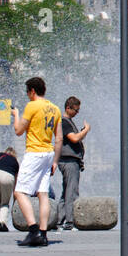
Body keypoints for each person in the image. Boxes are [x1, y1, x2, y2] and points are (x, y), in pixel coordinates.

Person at [11, 76, 62, 248]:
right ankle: (44, 234)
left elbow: (18, 131)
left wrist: (16, 115)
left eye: (27, 92)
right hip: (48, 153)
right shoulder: (55, 109)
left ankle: (33, 231)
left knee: (19, 192)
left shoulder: (32, 106)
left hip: (34, 153)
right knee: (43, 194)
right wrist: (55, 160)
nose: (27, 95)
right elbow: (59, 138)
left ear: (32, 91)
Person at [57, 96, 88, 231]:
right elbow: (74, 138)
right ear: (68, 108)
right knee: (71, 191)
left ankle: (60, 220)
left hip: (70, 160)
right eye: (76, 110)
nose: (77, 113)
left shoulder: (68, 122)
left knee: (66, 191)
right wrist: (86, 130)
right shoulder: (64, 122)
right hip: (69, 161)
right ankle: (69, 221)